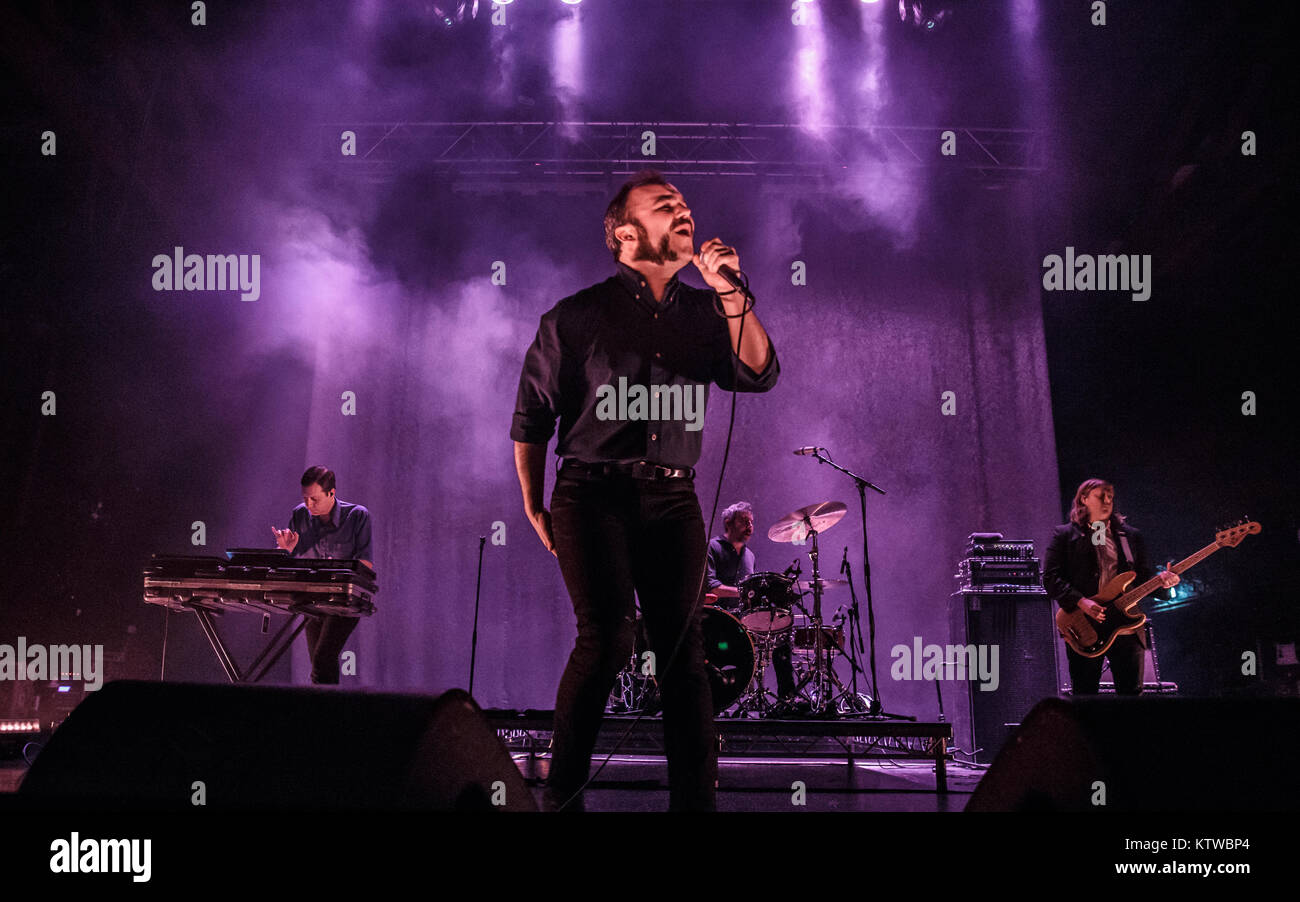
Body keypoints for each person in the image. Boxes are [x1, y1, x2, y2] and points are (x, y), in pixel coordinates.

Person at [511, 170, 780, 811]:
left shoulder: (708, 313)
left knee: (683, 652)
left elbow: (761, 372)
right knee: (605, 638)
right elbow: (531, 417)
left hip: (673, 499)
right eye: (666, 206)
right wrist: (530, 501)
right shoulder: (575, 318)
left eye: (686, 203)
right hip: (589, 492)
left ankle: (695, 806)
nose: (684, 210)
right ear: (626, 234)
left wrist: (731, 292)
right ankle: (563, 798)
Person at [1043, 478, 1178, 695]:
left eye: (1110, 497)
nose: (1107, 501)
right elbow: (1050, 578)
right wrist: (1082, 601)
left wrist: (1165, 583)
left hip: (1127, 625)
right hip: (1085, 624)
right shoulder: (1066, 535)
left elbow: (1144, 578)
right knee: (1086, 697)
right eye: (1100, 496)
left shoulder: (1130, 536)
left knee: (1131, 697)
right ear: (1083, 499)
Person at [272, 465, 374, 685]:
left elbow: (366, 565)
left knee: (322, 659)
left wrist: (339, 570)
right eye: (305, 498)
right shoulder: (300, 514)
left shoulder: (357, 516)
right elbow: (288, 564)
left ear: (332, 493)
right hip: (312, 600)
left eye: (314, 499)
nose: (309, 505)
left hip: (343, 601)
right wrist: (285, 549)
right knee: (319, 664)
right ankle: (325, 710)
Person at [706, 501, 797, 702]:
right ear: (728, 523)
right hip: (720, 618)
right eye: (744, 521)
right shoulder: (713, 547)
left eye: (752, 522)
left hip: (743, 618)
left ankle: (788, 698)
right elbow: (713, 586)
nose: (750, 526)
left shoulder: (750, 555)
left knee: (781, 631)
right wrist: (746, 593)